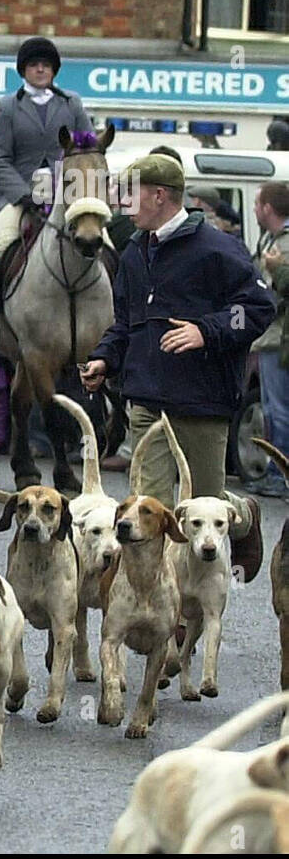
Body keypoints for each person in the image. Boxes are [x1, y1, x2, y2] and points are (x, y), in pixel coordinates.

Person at [80, 153, 273, 580]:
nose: (122, 204)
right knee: (148, 512)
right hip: (147, 402)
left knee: (204, 510)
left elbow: (258, 309)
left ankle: (244, 512)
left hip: (201, 401)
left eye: (130, 194)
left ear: (159, 195)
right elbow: (127, 322)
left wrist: (208, 330)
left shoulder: (218, 248)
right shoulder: (133, 251)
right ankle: (161, 610)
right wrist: (104, 358)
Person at [0, 36, 94, 346]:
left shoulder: (71, 103)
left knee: (98, 238)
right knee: (4, 240)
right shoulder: (10, 106)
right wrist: (21, 193)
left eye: (46, 65)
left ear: (54, 70)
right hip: (20, 190)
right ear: (24, 70)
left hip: (66, 191)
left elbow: (88, 149)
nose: (41, 70)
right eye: (34, 65)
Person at [249, 180, 289, 498]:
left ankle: (279, 474)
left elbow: (275, 295)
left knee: (277, 411)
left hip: (278, 337)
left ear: (267, 208)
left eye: (256, 203)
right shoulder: (275, 239)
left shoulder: (283, 245)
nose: (254, 209)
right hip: (275, 338)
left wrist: (273, 271)